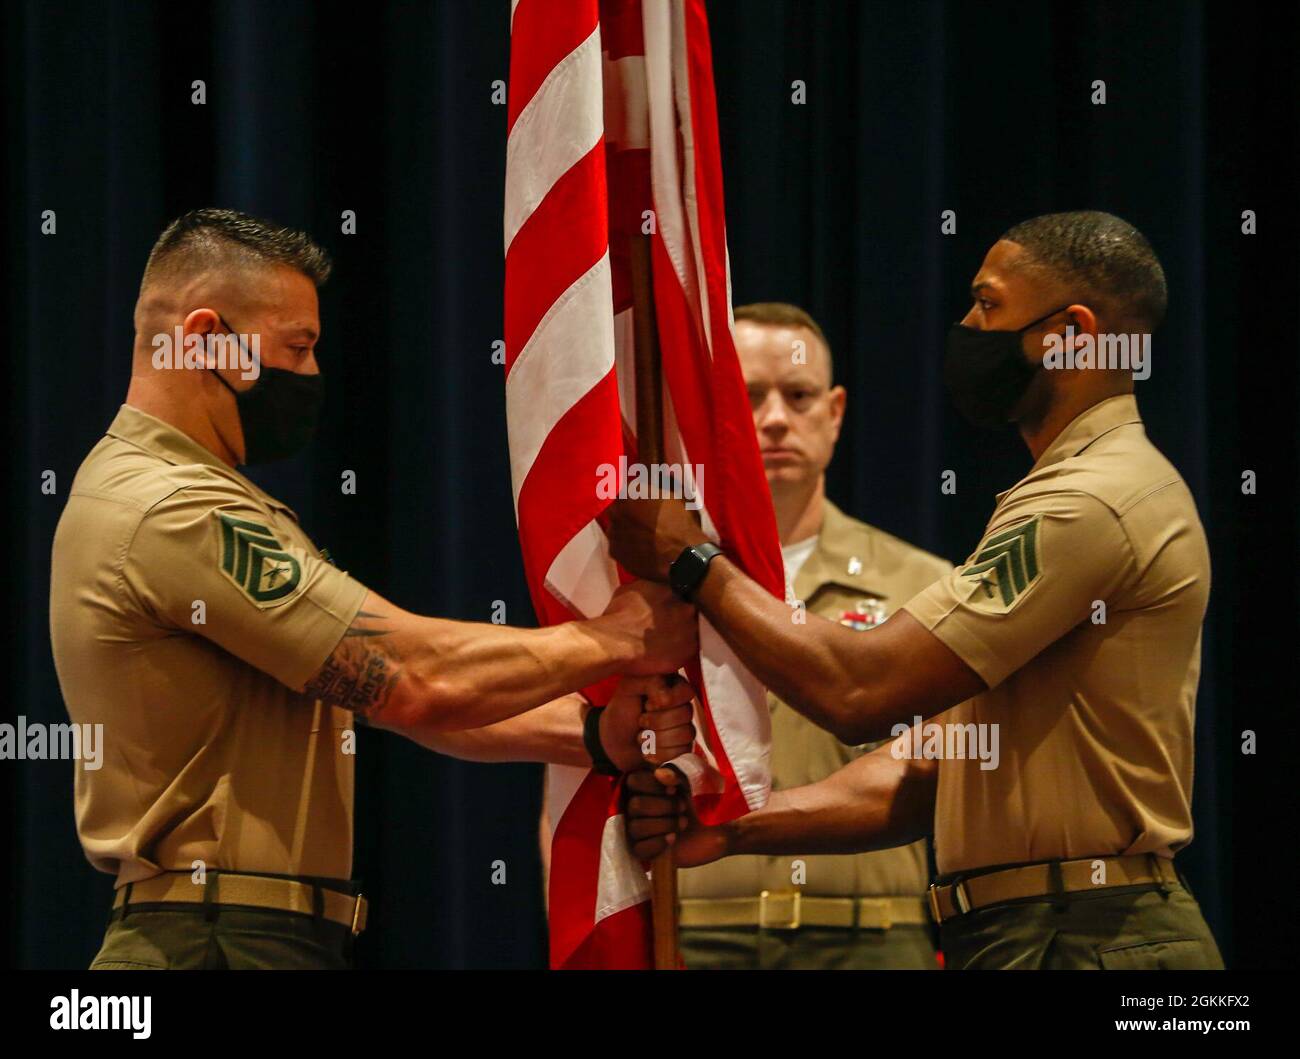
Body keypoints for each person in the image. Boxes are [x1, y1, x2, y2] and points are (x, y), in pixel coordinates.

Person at [50, 208, 696, 970]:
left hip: (241, 936)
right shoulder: (173, 508)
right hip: (215, 944)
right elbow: (408, 677)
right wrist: (618, 636)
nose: (313, 376)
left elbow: (361, 685)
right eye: (298, 347)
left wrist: (590, 735)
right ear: (201, 337)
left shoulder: (186, 496)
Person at [616, 211, 1224, 970]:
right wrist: (736, 824)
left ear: (1070, 332)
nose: (967, 326)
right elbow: (929, 767)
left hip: (1089, 933)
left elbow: (861, 687)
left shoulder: (1091, 500)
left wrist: (690, 561)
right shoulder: (1071, 493)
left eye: (988, 305)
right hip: (1041, 930)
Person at [675, 302, 948, 970]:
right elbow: (572, 785)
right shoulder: (658, 588)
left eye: (798, 396)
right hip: (693, 934)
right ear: (715, 415)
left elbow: (947, 771)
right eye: (748, 398)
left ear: (835, 412)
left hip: (875, 939)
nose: (774, 419)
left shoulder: (926, 584)